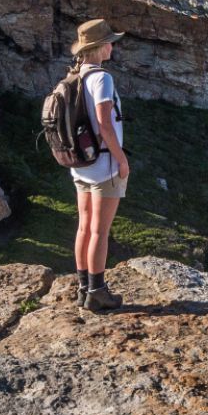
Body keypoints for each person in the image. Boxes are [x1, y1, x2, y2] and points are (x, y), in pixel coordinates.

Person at [68, 18, 129, 310]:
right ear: (100, 47)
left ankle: (83, 288)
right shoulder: (102, 78)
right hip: (104, 165)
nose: (112, 47)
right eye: (110, 42)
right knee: (99, 231)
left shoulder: (74, 76)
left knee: (84, 227)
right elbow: (105, 124)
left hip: (81, 163)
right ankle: (98, 291)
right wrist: (122, 160)